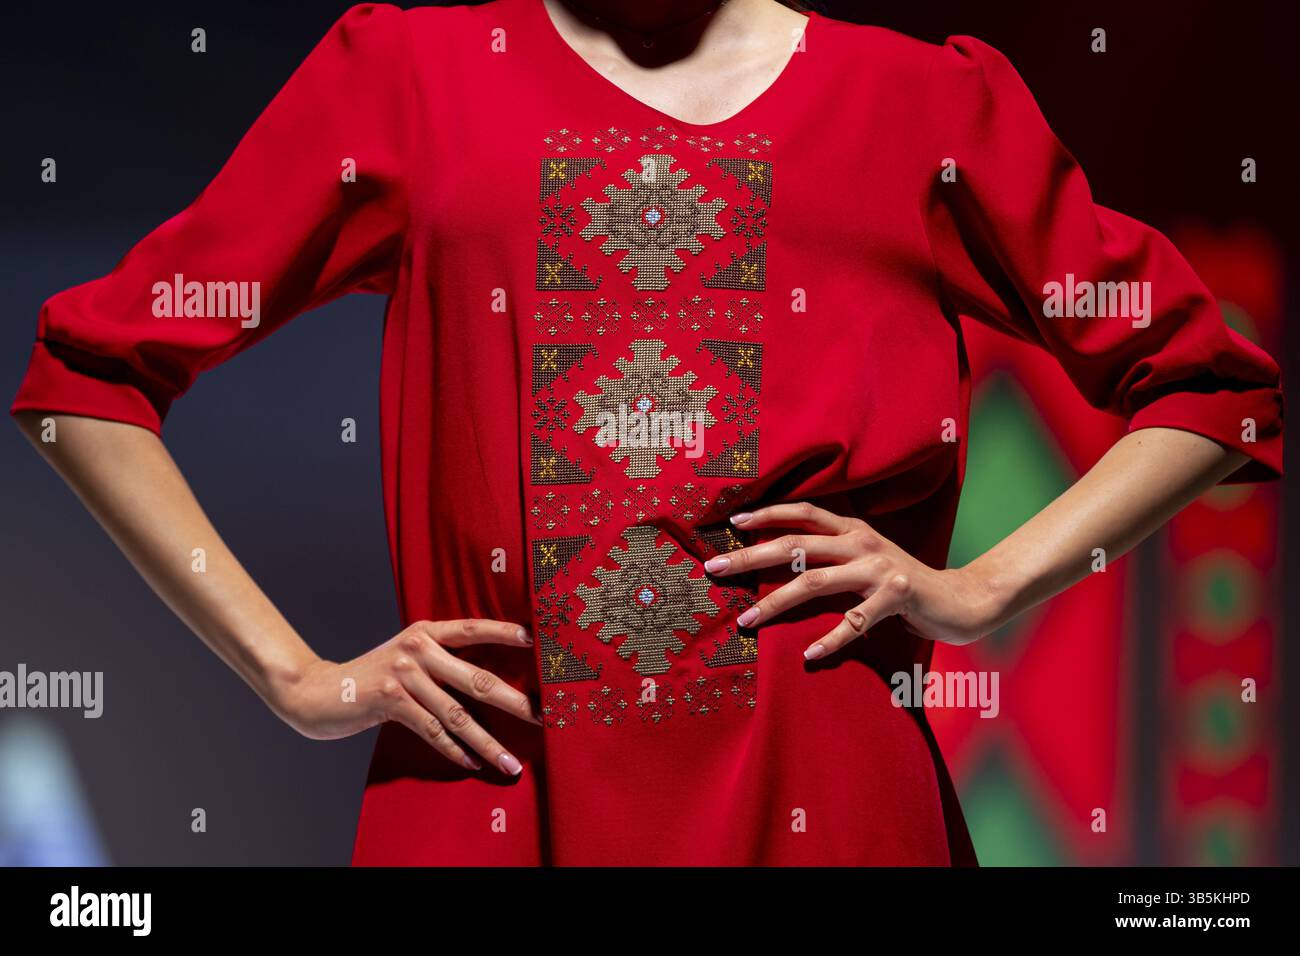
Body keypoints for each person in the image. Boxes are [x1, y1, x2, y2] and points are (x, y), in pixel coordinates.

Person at [10, 0, 1284, 865]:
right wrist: (297, 676)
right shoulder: (411, 79)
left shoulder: (919, 106)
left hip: (826, 795)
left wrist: (976, 588)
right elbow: (89, 373)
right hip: (495, 783)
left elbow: (1208, 384)